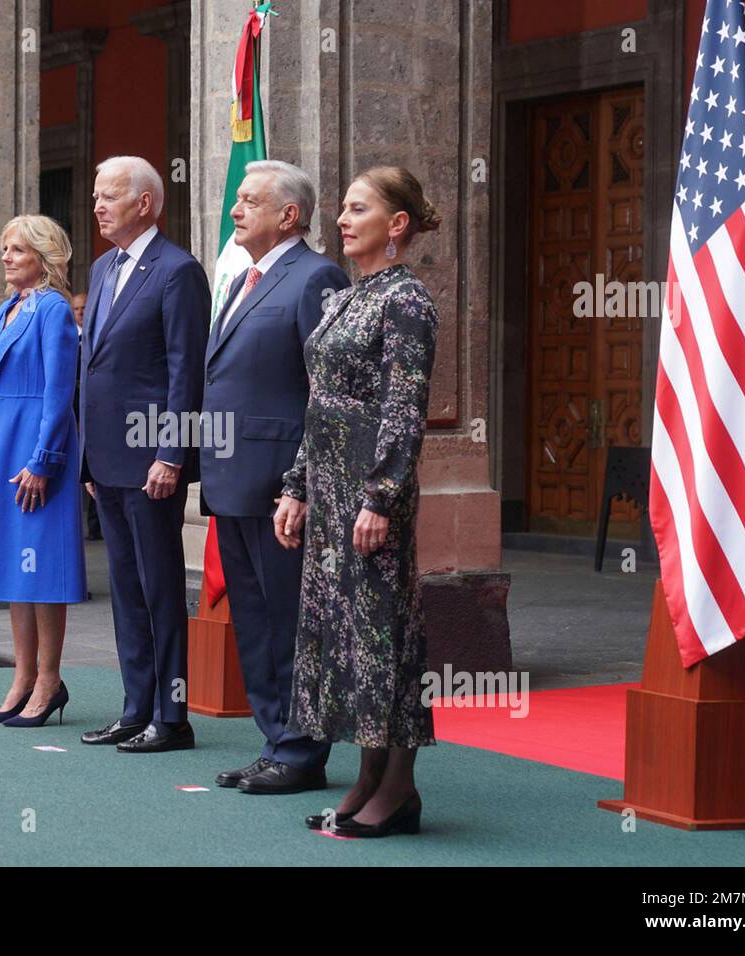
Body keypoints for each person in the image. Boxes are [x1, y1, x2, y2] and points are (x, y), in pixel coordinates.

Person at [274, 166, 442, 836]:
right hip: (329, 490)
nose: (342, 220)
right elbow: (322, 404)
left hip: (373, 495)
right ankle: (367, 778)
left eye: (358, 208)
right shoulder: (347, 295)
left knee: (381, 636)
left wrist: (381, 496)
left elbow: (405, 408)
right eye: (341, 209)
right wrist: (295, 486)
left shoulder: (408, 300)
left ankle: (398, 786)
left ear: (396, 225)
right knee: (341, 634)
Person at [200, 160, 349, 795]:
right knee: (255, 624)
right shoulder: (243, 278)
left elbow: (328, 391)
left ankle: (302, 750)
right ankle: (274, 742)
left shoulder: (317, 277)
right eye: (236, 199)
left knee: (290, 622)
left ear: (289, 215)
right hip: (231, 478)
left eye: (249, 200)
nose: (235, 209)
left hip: (281, 485)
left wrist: (304, 484)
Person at [78, 156, 211, 753]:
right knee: (126, 590)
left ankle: (172, 716)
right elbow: (94, 368)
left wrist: (172, 453)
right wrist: (84, 460)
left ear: (146, 203)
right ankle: (135, 709)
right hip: (105, 460)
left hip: (152, 458)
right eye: (97, 196)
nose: (99, 206)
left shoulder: (177, 271)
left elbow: (186, 371)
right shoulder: (104, 266)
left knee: (160, 590)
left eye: (110, 196)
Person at [0, 214, 85, 728]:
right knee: (16, 564)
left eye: (17, 249)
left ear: (44, 256)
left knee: (42, 568)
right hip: (2, 442)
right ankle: (23, 677)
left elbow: (60, 391)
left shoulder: (52, 309)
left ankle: (50, 681)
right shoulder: (10, 307)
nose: (5, 256)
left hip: (36, 445)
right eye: (4, 248)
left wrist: (44, 460)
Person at [69, 291, 102, 540]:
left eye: (84, 308)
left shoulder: (99, 333)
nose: (81, 312)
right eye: (77, 309)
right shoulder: (69, 337)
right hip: (76, 403)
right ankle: (92, 525)